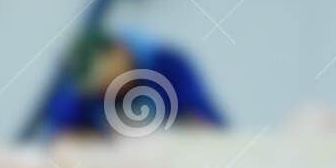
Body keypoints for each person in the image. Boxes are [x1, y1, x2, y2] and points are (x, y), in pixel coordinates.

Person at [39, 28, 224, 137]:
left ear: (120, 52)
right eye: (99, 85)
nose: (106, 87)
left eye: (108, 75)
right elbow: (61, 138)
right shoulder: (83, 93)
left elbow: (209, 128)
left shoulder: (170, 66)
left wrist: (162, 138)